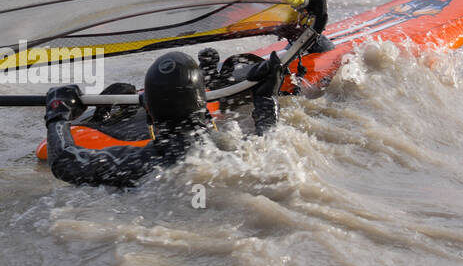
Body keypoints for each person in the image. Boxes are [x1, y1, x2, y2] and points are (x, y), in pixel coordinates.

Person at [44, 49, 286, 187]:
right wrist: (266, 98)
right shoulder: (232, 149)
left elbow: (65, 163)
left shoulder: (139, 163)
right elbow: (269, 140)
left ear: (149, 110)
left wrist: (57, 113)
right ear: (204, 104)